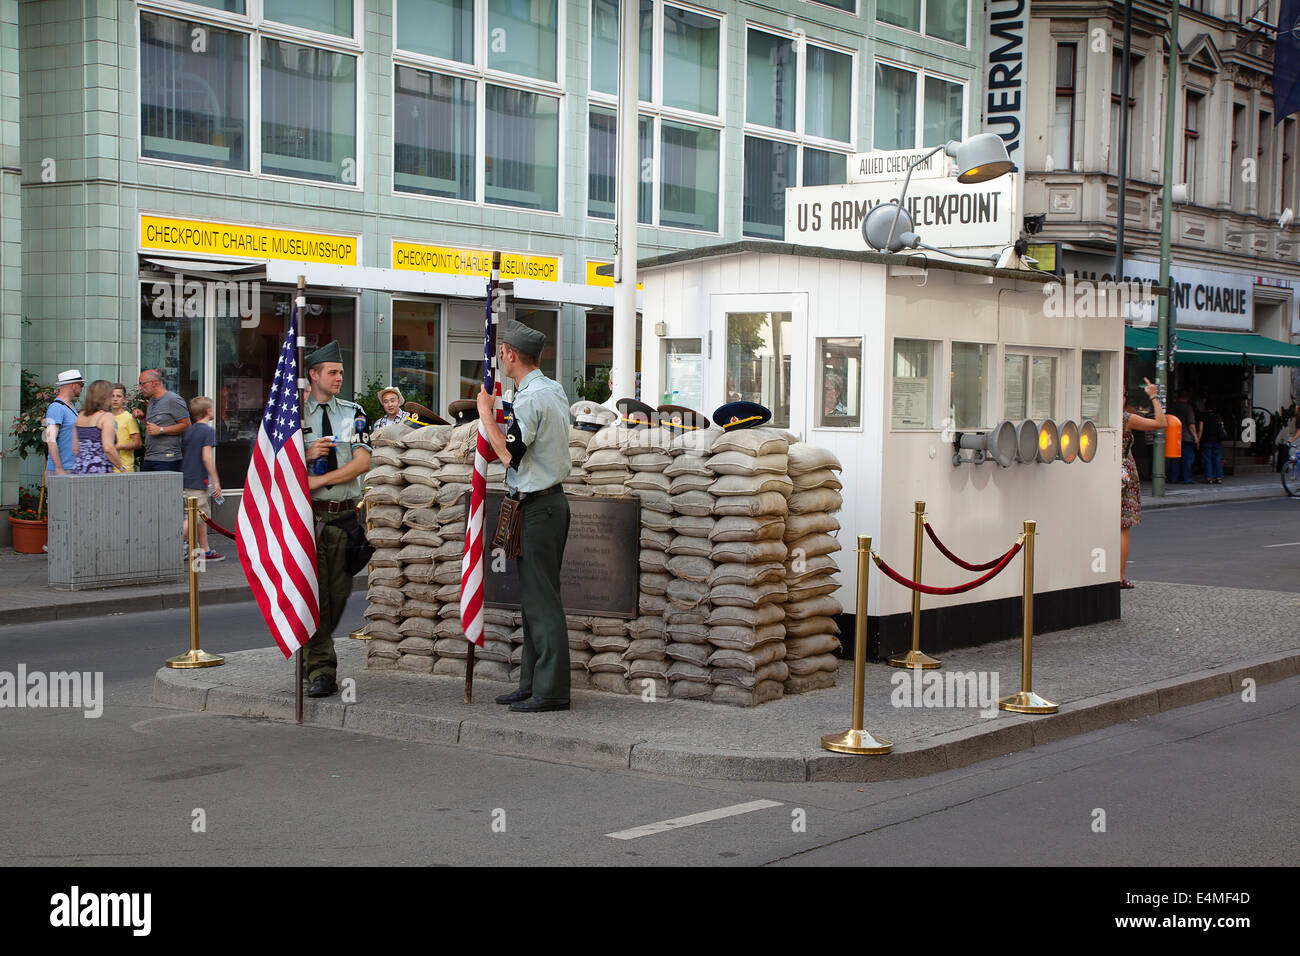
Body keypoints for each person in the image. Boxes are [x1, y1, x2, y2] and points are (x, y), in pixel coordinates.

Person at [476, 321, 573, 713]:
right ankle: (532, 681)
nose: (500, 357)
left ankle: (551, 690)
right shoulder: (550, 389)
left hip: (539, 506)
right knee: (534, 599)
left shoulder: (532, 399)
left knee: (542, 600)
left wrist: (486, 415)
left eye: (501, 352)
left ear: (510, 355)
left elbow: (508, 454)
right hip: (541, 504)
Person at [302, 341, 371, 698]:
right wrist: (306, 456)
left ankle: (311, 652)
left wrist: (320, 479)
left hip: (344, 518)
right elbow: (273, 467)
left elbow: (362, 463)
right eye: (333, 372)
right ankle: (321, 669)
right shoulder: (295, 416)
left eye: (341, 372)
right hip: (308, 520)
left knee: (339, 597)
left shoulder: (353, 412)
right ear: (313, 374)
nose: (339, 378)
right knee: (317, 599)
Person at [1121, 378, 1166, 589]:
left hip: (1098, 469)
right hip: (1124, 473)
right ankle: (1119, 576)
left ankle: (1097, 572)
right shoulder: (1125, 419)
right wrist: (1154, 396)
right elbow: (1160, 423)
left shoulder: (1092, 417)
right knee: (1123, 527)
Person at [180, 396, 224, 562]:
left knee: (202, 516)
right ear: (208, 411)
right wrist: (215, 480)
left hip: (187, 477)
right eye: (212, 408)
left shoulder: (190, 430)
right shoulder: (208, 431)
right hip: (198, 481)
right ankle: (174, 542)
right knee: (194, 517)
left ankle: (204, 550)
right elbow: (207, 457)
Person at [134, 369, 191, 472]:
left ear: (154, 383)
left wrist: (161, 429)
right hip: (149, 457)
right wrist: (142, 418)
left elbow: (186, 425)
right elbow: (153, 428)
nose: (140, 388)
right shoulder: (152, 401)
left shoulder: (173, 399)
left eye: (142, 384)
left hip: (168, 459)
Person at [70, 379, 122, 475]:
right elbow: (108, 448)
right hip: (99, 469)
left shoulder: (80, 416)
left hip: (79, 469)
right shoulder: (106, 417)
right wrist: (122, 468)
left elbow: (75, 449)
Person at [44, 369, 83, 476]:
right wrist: (59, 468)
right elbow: (50, 439)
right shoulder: (56, 407)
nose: (82, 388)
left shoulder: (71, 406)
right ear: (73, 385)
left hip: (71, 468)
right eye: (81, 384)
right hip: (62, 470)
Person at [1167, 389, 1198, 484]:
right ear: (1187, 398)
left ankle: (1173, 478)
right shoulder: (1188, 408)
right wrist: (1196, 437)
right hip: (1186, 437)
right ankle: (1187, 478)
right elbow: (1191, 424)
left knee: (1174, 459)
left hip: (1173, 436)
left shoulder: (1171, 407)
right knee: (1187, 459)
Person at [110, 383, 142, 473]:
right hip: (108, 467)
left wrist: (120, 446)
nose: (115, 399)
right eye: (112, 396)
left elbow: (138, 443)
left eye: (118, 396)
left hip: (125, 467)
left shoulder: (128, 418)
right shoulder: (106, 417)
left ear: (124, 399)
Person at [1199, 400, 1226, 485]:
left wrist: (1197, 440)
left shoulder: (1202, 416)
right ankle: (1219, 477)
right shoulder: (1218, 416)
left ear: (1205, 407)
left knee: (1207, 459)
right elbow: (1222, 427)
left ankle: (1208, 477)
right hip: (1217, 440)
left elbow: (1200, 429)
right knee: (1217, 459)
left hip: (1206, 440)